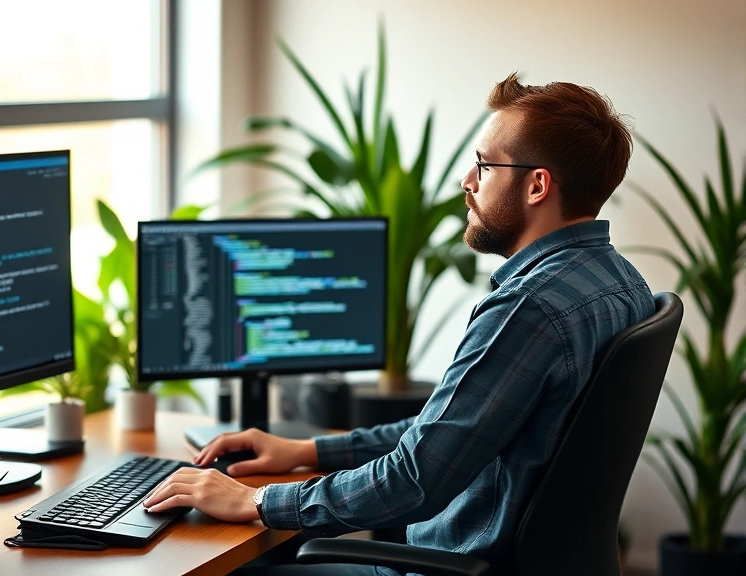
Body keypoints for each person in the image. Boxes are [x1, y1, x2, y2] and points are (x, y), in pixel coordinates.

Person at [143, 73, 654, 575]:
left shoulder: (529, 308)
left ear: (537, 185)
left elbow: (414, 479)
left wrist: (257, 501)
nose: (467, 181)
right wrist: (307, 450)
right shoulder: (621, 282)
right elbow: (448, 429)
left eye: (484, 165)